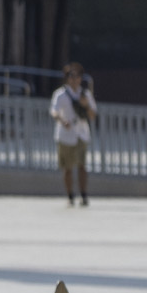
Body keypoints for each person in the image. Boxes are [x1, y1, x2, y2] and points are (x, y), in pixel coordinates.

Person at [49, 62, 96, 207]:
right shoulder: (60, 94)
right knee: (67, 167)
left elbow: (93, 115)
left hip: (81, 133)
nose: (75, 79)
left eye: (77, 76)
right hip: (65, 134)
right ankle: (70, 195)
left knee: (82, 165)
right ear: (67, 78)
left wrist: (85, 105)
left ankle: (84, 194)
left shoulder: (85, 94)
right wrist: (62, 120)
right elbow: (54, 111)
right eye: (71, 76)